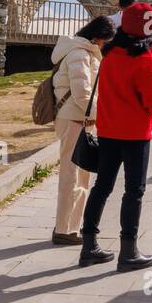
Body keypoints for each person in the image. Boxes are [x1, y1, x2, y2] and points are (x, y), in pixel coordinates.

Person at [78, 2, 152, 270]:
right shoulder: (144, 62)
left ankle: (89, 246)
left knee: (102, 187)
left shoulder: (109, 55)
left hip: (107, 131)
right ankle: (128, 250)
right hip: (135, 135)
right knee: (134, 191)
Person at [49, 16, 114, 246]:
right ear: (97, 38)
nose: (106, 46)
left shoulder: (82, 52)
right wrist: (102, 115)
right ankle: (64, 228)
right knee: (71, 175)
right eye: (106, 41)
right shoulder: (79, 54)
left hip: (79, 119)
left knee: (80, 174)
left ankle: (70, 226)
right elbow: (82, 94)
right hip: (74, 119)